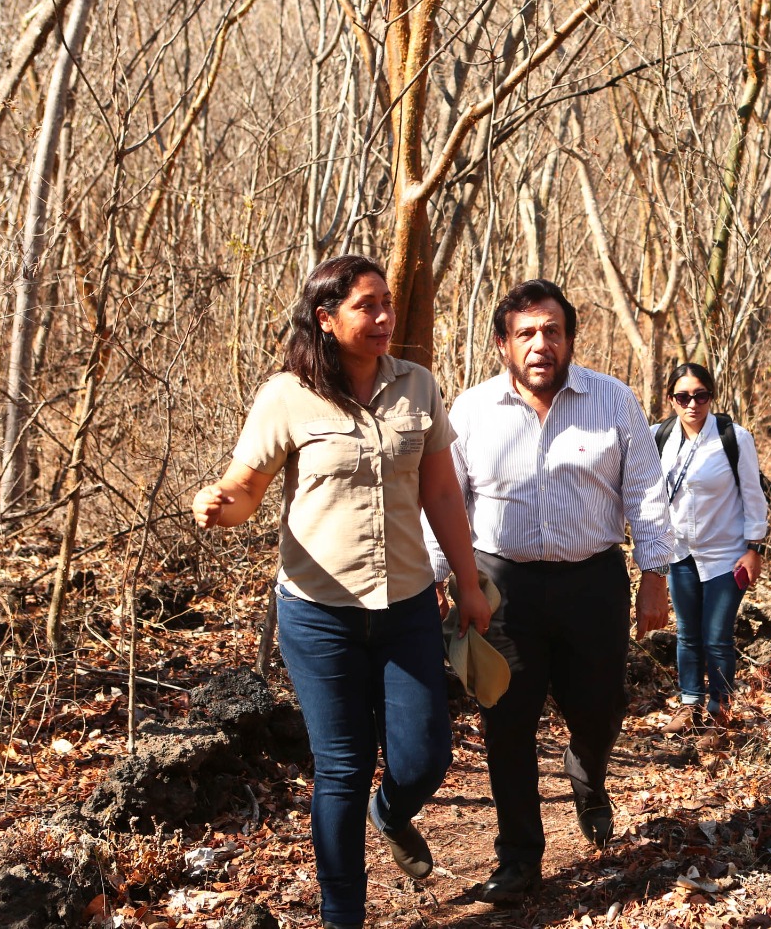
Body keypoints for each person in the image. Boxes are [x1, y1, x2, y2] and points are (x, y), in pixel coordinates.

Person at [191, 255, 490, 929]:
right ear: (326, 319)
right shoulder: (286, 396)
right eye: (367, 306)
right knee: (343, 767)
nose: (385, 317)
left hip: (408, 604)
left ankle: (393, 813)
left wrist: (467, 584)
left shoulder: (417, 386)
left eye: (387, 303)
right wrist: (217, 504)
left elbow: (441, 492)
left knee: (425, 756)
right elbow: (246, 489)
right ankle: (342, 915)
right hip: (318, 614)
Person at [429, 278, 674, 905]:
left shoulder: (613, 402)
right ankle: (519, 859)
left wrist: (655, 576)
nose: (542, 344)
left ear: (570, 338)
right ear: (503, 344)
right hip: (499, 585)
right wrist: (442, 578)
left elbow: (645, 490)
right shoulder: (471, 411)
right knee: (505, 721)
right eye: (527, 333)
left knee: (598, 707)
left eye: (553, 332)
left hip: (591, 581)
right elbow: (446, 500)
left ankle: (587, 772)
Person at [652, 363, 769, 733]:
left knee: (717, 635)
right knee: (687, 633)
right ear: (671, 399)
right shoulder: (659, 437)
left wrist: (754, 548)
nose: (692, 404)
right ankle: (690, 705)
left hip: (726, 554)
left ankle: (721, 712)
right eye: (683, 396)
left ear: (711, 397)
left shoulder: (734, 438)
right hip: (680, 553)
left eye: (701, 395)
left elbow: (753, 495)